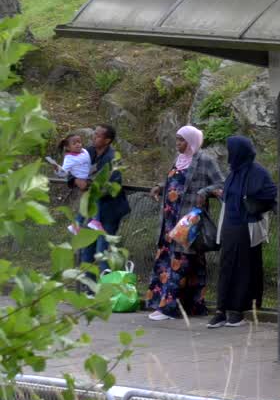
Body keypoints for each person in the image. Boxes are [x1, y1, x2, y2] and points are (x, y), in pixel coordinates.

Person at [145, 125, 224, 321]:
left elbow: (222, 184)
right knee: (173, 261)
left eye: (181, 140)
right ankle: (190, 305)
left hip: (188, 222)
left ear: (191, 142)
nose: (178, 143)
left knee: (180, 262)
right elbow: (177, 182)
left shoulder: (204, 160)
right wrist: (160, 187)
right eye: (177, 139)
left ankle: (169, 308)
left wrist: (204, 192)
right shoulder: (180, 160)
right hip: (170, 221)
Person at [207, 135, 277, 329]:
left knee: (244, 268)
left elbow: (270, 193)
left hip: (247, 226)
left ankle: (238, 310)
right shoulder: (234, 172)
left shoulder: (258, 173)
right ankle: (221, 309)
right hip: (230, 225)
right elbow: (230, 195)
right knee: (227, 267)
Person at [74, 124, 132, 270]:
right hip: (90, 209)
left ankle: (102, 286)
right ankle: (88, 287)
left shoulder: (112, 158)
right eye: (94, 133)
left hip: (108, 210)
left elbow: (112, 185)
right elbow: (72, 166)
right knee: (86, 248)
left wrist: (90, 186)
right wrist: (76, 180)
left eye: (98, 135)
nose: (94, 137)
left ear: (107, 140)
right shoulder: (88, 152)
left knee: (102, 250)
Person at [56, 133, 102, 235]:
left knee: (89, 202)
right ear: (68, 147)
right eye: (74, 143)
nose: (78, 144)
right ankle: (95, 221)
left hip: (89, 178)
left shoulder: (85, 151)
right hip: (82, 181)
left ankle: (76, 225)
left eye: (79, 142)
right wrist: (57, 169)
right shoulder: (69, 158)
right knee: (96, 199)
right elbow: (63, 173)